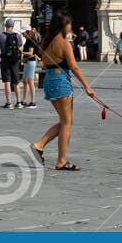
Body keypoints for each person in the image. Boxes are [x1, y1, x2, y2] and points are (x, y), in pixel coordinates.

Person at [30, 12, 95, 172]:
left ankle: (41, 146)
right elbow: (74, 66)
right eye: (69, 25)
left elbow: (45, 63)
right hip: (61, 82)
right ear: (63, 26)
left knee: (65, 121)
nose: (71, 27)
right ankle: (59, 159)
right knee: (67, 122)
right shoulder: (64, 43)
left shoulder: (47, 41)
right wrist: (87, 86)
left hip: (49, 80)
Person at [0, 19, 25, 108]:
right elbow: (21, 49)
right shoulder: (18, 36)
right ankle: (19, 102)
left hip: (5, 60)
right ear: (13, 25)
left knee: (7, 81)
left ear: (5, 25)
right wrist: (20, 59)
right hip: (15, 61)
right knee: (16, 81)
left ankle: (9, 103)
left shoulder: (1, 36)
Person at [20, 27, 41, 107]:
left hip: (31, 62)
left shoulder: (31, 41)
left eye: (23, 33)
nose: (22, 34)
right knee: (25, 80)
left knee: (30, 81)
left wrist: (21, 52)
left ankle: (33, 101)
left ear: (26, 32)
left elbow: (31, 53)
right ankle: (24, 100)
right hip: (27, 62)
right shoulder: (28, 40)